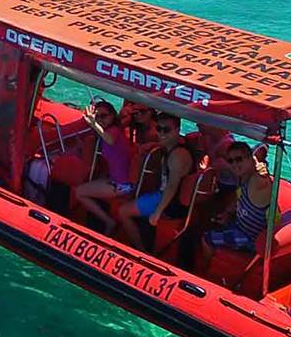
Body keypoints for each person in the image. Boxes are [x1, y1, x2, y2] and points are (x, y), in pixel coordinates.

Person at [117, 113, 196, 252]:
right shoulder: (173, 145)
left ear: (178, 129)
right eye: (159, 129)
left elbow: (171, 187)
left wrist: (158, 212)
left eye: (166, 130)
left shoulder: (178, 156)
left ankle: (140, 251)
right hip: (164, 195)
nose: (161, 133)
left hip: (170, 203)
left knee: (123, 211)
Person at [74, 100, 134, 233]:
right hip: (116, 180)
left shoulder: (114, 131)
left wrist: (93, 123)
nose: (100, 119)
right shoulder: (108, 130)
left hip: (122, 185)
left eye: (104, 116)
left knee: (79, 192)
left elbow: (110, 139)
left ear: (112, 116)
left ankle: (108, 221)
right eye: (97, 116)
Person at [204, 142, 273, 252]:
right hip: (241, 227)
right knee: (208, 223)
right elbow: (239, 199)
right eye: (230, 161)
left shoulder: (257, 182)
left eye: (239, 159)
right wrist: (227, 213)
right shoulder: (243, 178)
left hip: (250, 239)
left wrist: (263, 174)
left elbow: (264, 183)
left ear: (251, 159)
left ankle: (203, 269)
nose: (234, 164)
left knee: (207, 239)